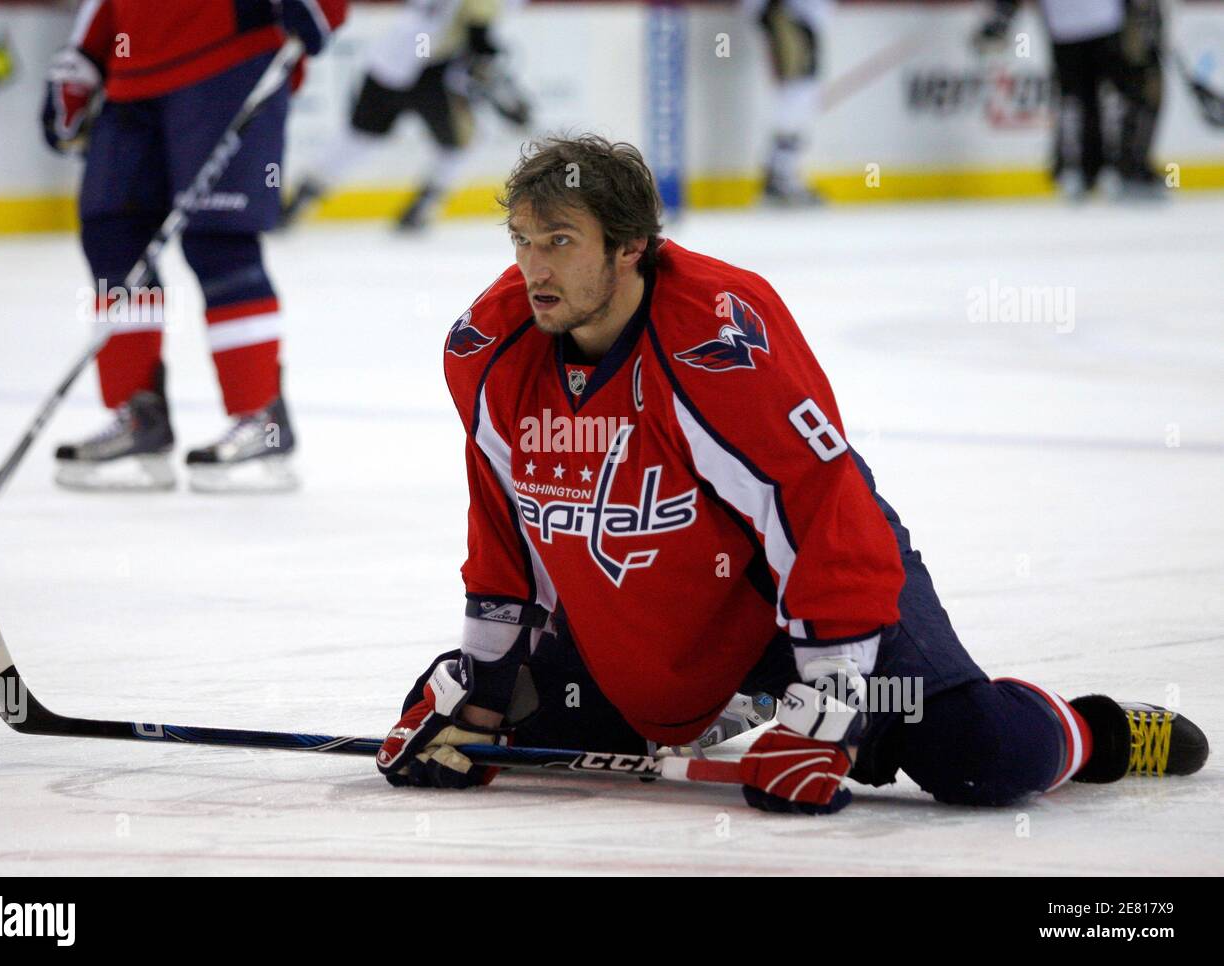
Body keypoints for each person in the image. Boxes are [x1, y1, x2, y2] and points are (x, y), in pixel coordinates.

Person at [375, 135, 1207, 813]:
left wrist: (834, 710)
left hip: (806, 589)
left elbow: (819, 512)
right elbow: (502, 522)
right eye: (521, 240)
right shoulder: (489, 349)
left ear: (631, 247)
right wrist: (481, 693)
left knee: (974, 755)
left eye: (560, 242)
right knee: (487, 712)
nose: (533, 269)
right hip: (665, 615)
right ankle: (739, 703)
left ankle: (1093, 730)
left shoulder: (719, 338)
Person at [42, 0, 347, 493]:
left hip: (229, 58)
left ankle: (261, 417)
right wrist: (83, 54)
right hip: (132, 72)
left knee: (219, 240)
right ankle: (139, 414)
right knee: (112, 235)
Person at [281, 0, 531, 232]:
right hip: (428, 68)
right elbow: (479, 37)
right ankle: (425, 202)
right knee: (464, 141)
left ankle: (304, 196)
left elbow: (476, 37)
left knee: (359, 138)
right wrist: (498, 87)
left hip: (388, 61)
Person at [975, 0, 1165, 199]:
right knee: (1118, 93)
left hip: (1073, 23)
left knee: (1081, 97)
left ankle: (1084, 169)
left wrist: (1001, 17)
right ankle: (1113, 169)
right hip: (1095, 21)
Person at [743, 0, 833, 206]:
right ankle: (781, 175)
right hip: (786, 11)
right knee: (796, 88)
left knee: (801, 89)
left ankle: (782, 172)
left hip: (797, 16)